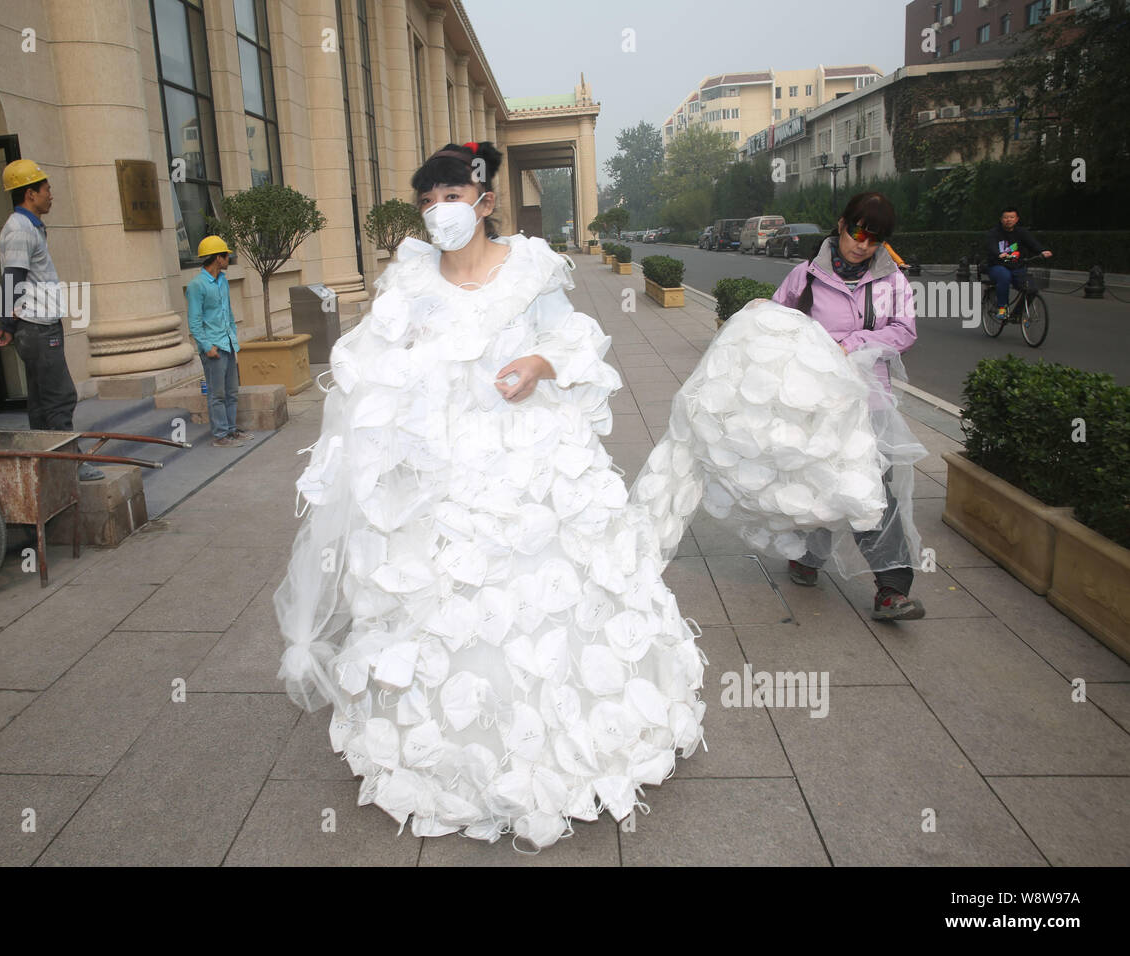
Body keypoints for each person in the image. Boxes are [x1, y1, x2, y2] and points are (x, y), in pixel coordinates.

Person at [273, 142, 707, 851]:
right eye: (428, 200)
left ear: (485, 201)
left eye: (452, 195)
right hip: (442, 469)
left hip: (532, 458)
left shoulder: (530, 270)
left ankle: (560, 744)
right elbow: (376, 373)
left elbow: (573, 340)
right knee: (442, 602)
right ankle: (456, 751)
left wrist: (541, 361)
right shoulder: (409, 283)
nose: (440, 210)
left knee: (553, 596)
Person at [771, 192, 925, 621]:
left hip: (870, 402)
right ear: (841, 225)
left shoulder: (892, 281)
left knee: (872, 488)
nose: (862, 245)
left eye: (873, 240)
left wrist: (853, 344)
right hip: (817, 401)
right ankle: (806, 555)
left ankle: (892, 588)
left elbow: (904, 332)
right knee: (822, 479)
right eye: (858, 233)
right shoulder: (805, 277)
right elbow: (777, 326)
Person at [0, 159, 103, 481]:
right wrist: (6, 324)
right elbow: (12, 278)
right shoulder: (19, 229)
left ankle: (44, 463)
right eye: (47, 189)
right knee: (60, 396)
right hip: (37, 327)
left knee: (42, 401)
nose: (51, 195)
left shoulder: (30, 227)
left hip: (37, 326)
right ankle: (71, 464)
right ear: (30, 194)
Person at [186, 236, 250, 448]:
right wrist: (207, 346)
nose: (228, 259)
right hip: (213, 347)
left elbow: (228, 312)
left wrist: (234, 337)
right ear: (216, 258)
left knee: (232, 391)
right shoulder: (197, 285)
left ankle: (231, 430)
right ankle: (220, 435)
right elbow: (194, 321)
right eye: (225, 255)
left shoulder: (222, 281)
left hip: (228, 343)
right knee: (217, 394)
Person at [984, 207, 1052, 319]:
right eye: (1006, 217)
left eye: (1011, 217)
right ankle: (1002, 308)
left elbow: (1033, 244)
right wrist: (998, 254)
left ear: (1016, 219)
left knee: (1032, 289)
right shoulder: (994, 233)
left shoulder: (1021, 232)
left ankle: (1017, 315)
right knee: (1004, 276)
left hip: (1017, 267)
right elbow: (991, 246)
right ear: (1001, 219)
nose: (1008, 220)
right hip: (997, 266)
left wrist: (1042, 251)